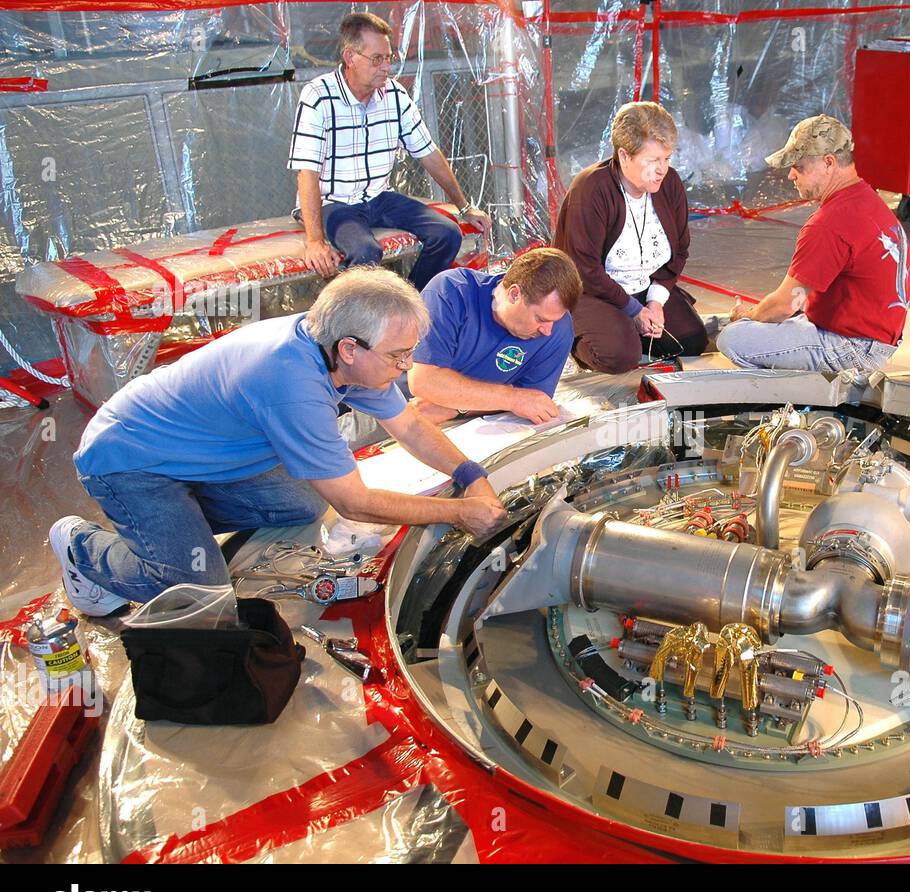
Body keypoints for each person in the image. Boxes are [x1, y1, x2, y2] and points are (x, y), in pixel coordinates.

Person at [49, 267, 506, 616]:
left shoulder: (345, 348)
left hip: (197, 452)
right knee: (201, 594)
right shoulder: (291, 383)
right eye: (398, 355)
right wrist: (457, 511)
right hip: (129, 460)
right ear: (350, 349)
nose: (407, 366)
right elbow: (355, 503)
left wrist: (471, 474)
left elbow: (408, 425)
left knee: (304, 505)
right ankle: (82, 548)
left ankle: (173, 523)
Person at [288, 12, 491, 290]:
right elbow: (307, 172)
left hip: (378, 197)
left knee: (447, 234)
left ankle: (409, 304)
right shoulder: (318, 96)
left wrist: (465, 207)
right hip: (334, 203)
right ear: (350, 58)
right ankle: (355, 325)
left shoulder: (395, 95)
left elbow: (429, 154)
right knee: (366, 252)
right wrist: (315, 242)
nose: (386, 67)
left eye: (388, 58)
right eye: (377, 59)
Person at [716, 114, 910, 374]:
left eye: (799, 167)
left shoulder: (829, 223)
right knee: (747, 320)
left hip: (855, 347)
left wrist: (751, 316)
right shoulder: (867, 200)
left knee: (733, 339)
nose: (791, 176)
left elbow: (786, 305)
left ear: (829, 163)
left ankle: (787, 394)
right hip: (874, 337)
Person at [555, 102, 707, 374]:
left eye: (667, 159)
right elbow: (585, 270)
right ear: (624, 156)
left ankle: (631, 329)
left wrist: (655, 302)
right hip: (595, 292)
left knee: (691, 341)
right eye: (652, 161)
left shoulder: (669, 183)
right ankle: (575, 335)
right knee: (618, 357)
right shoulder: (591, 189)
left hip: (646, 287)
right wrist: (633, 311)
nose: (662, 169)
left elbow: (680, 249)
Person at [408, 248, 581, 426]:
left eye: (554, 320)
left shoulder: (559, 327)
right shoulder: (450, 292)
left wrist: (456, 408)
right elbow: (423, 381)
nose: (547, 331)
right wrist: (512, 398)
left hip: (465, 420)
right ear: (515, 294)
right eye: (540, 319)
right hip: (402, 409)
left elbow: (534, 402)